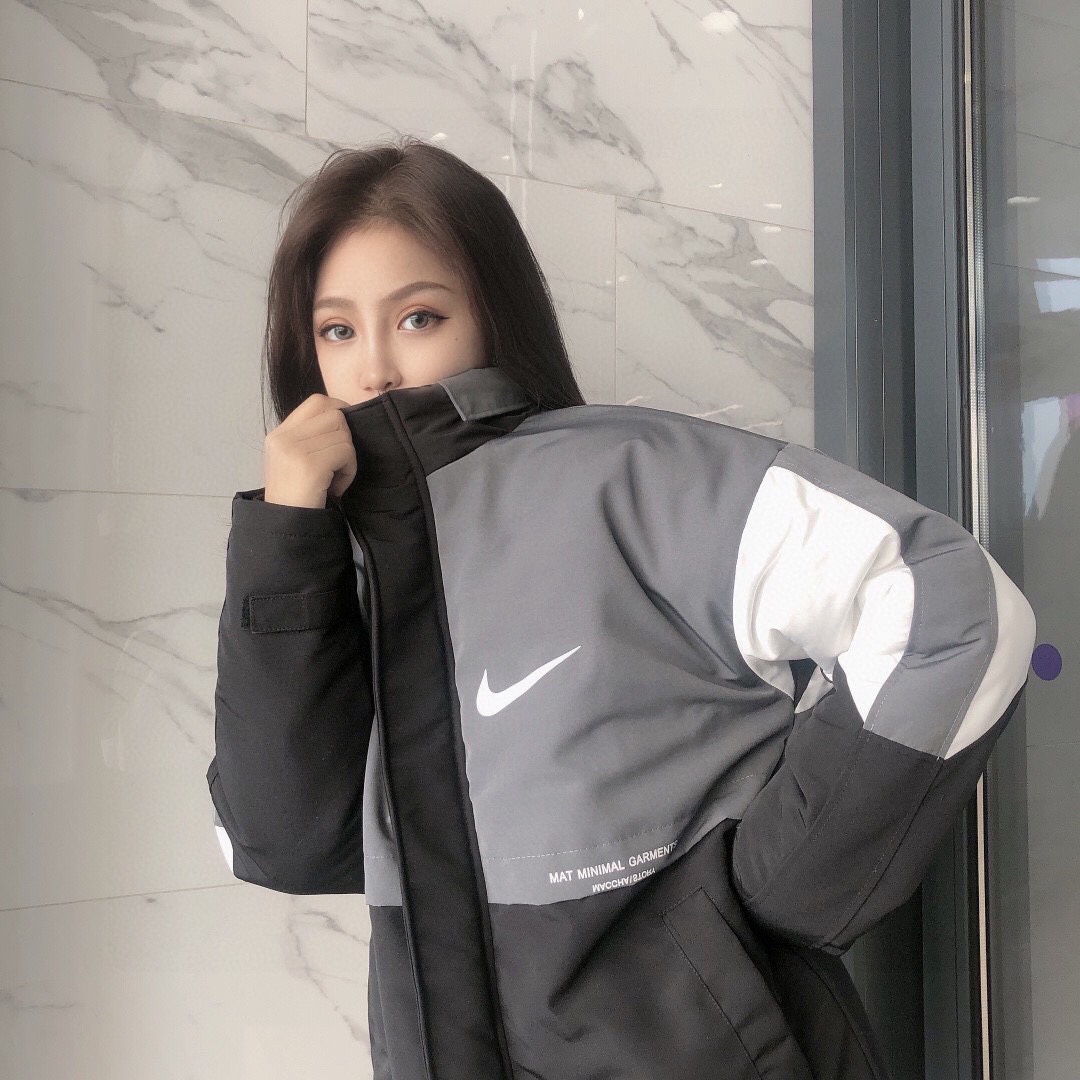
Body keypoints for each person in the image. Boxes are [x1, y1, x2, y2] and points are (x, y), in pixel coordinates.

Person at [206, 136, 1037, 1080]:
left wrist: (770, 897)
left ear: (493, 313)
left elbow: (947, 605)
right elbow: (284, 844)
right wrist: (286, 540)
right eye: (337, 331)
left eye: (419, 317)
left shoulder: (634, 479)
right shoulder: (335, 561)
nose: (376, 369)